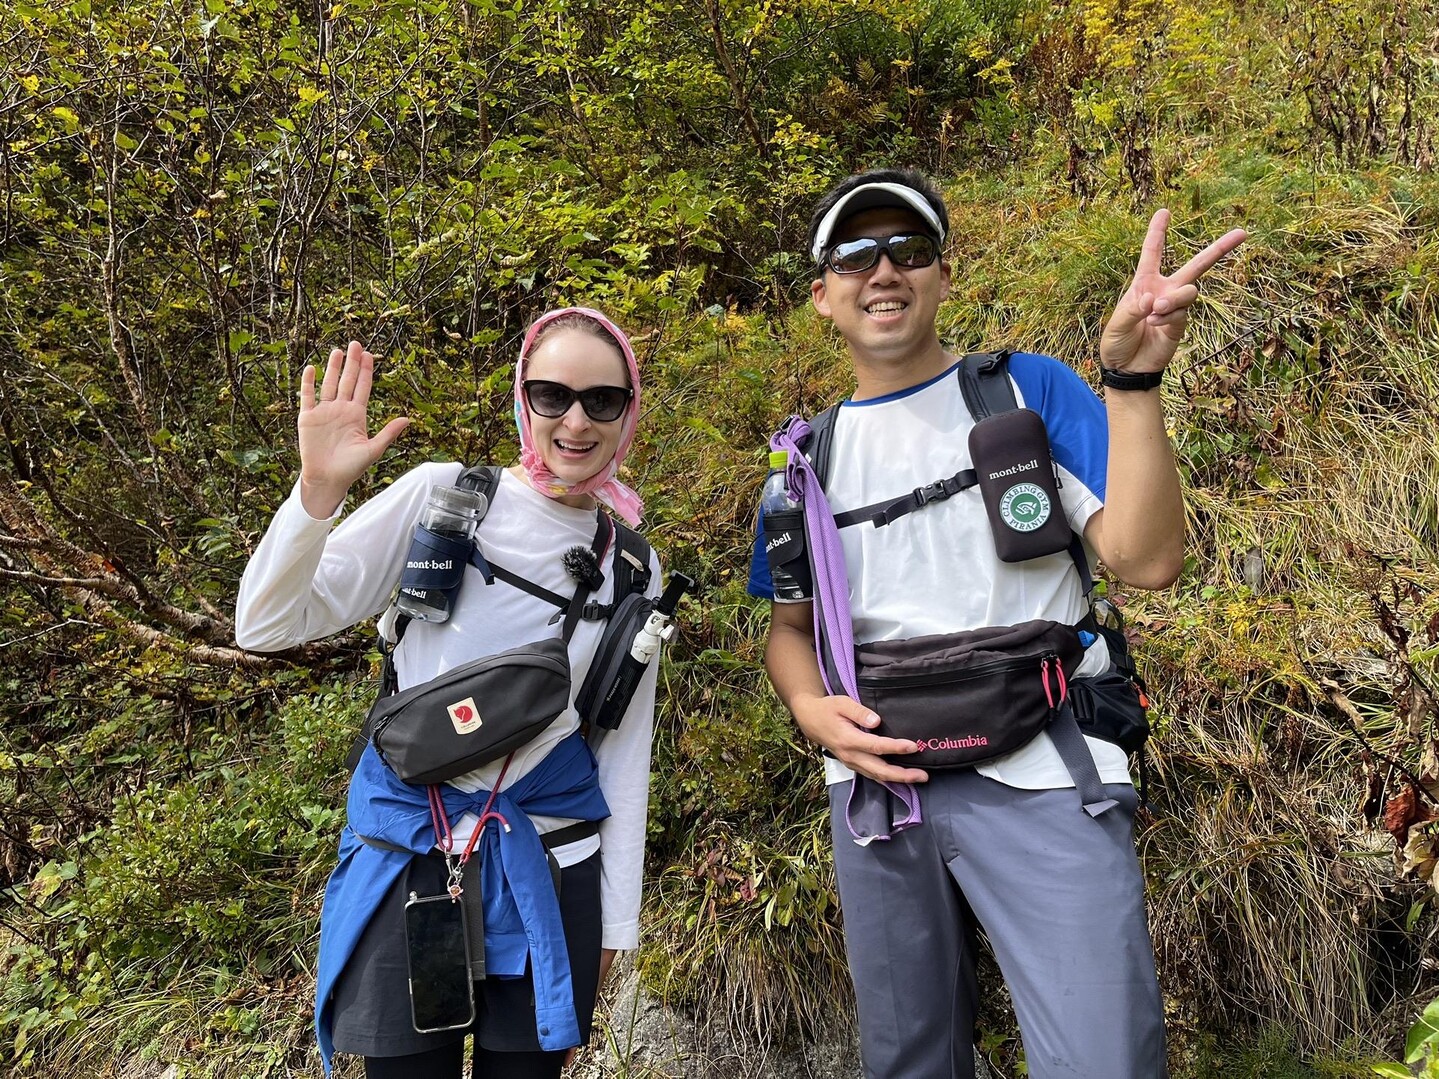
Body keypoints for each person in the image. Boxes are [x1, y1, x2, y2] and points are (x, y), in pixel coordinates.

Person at [747, 169, 1246, 1078]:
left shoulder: (1023, 392)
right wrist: (810, 710)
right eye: (854, 255)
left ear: (942, 275)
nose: (883, 270)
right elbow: (789, 626)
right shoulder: (803, 463)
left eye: (908, 249)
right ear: (822, 295)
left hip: (1045, 766)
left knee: (1101, 1058)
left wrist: (1132, 381)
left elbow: (1144, 559)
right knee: (910, 1060)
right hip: (876, 793)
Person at [236, 307, 662, 1079]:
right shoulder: (447, 498)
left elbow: (623, 753)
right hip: (411, 855)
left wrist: (613, 929)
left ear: (628, 411)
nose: (575, 421)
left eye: (602, 400)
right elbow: (265, 624)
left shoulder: (630, 564)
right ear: (521, 397)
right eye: (551, 395)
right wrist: (316, 492)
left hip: (551, 869)